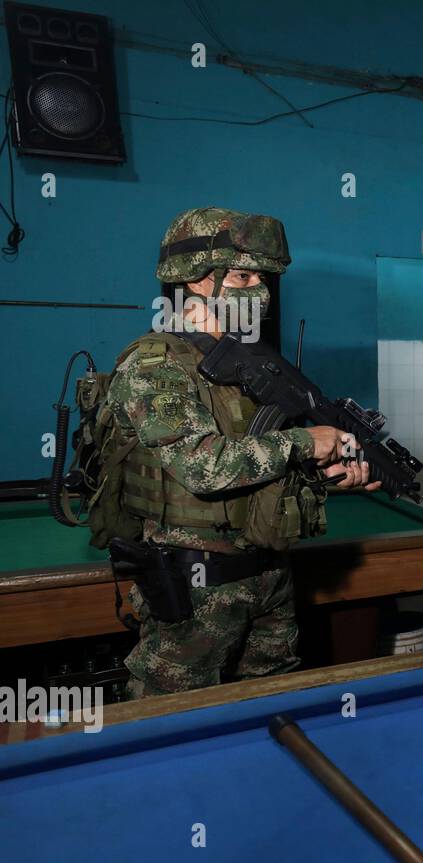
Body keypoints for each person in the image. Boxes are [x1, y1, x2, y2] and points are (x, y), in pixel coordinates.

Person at [106, 206, 376, 697]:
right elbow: (202, 466)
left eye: (262, 276)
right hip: (197, 580)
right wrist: (303, 442)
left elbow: (268, 460)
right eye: (244, 275)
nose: (261, 290)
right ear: (197, 280)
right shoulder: (154, 365)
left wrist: (330, 470)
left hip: (270, 569)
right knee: (173, 721)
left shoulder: (248, 361)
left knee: (274, 711)